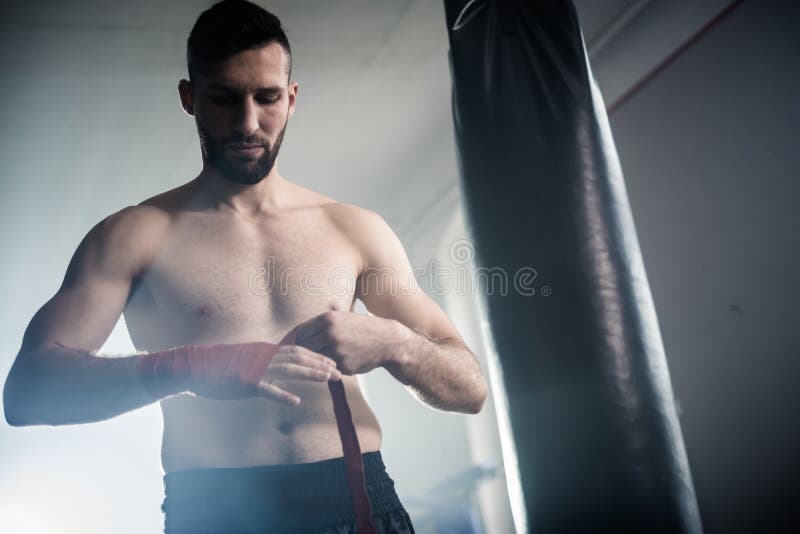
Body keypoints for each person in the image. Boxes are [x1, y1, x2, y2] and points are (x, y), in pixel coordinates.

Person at [2, 0, 489, 532]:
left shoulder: (353, 229)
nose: (248, 123)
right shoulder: (135, 236)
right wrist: (191, 366)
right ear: (190, 98)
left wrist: (396, 343)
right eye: (225, 98)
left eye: (267, 97)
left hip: (358, 499)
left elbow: (470, 390)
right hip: (217, 510)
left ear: (292, 98)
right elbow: (27, 393)